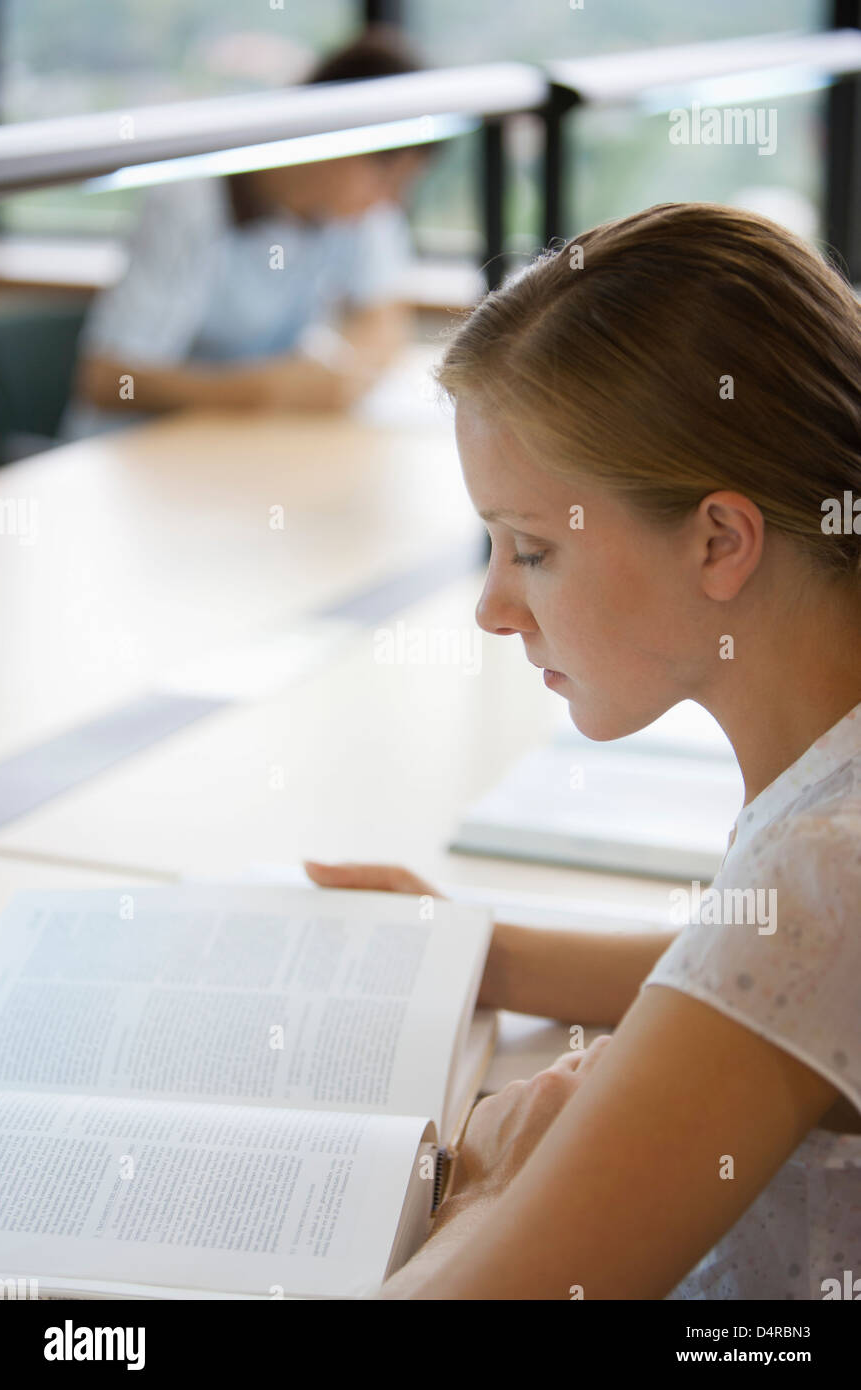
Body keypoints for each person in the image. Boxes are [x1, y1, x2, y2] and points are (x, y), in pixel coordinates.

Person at [303, 201, 861, 1300]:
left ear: (719, 540)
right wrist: (485, 952)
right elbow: (760, 975)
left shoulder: (825, 868)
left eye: (533, 549)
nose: (494, 608)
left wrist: (484, 1191)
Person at [61, 25, 439, 439]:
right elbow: (107, 382)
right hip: (133, 452)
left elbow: (385, 322)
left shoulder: (360, 211)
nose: (389, 201)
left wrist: (339, 374)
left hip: (240, 445)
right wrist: (261, 390)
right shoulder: (191, 201)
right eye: (386, 180)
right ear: (334, 140)